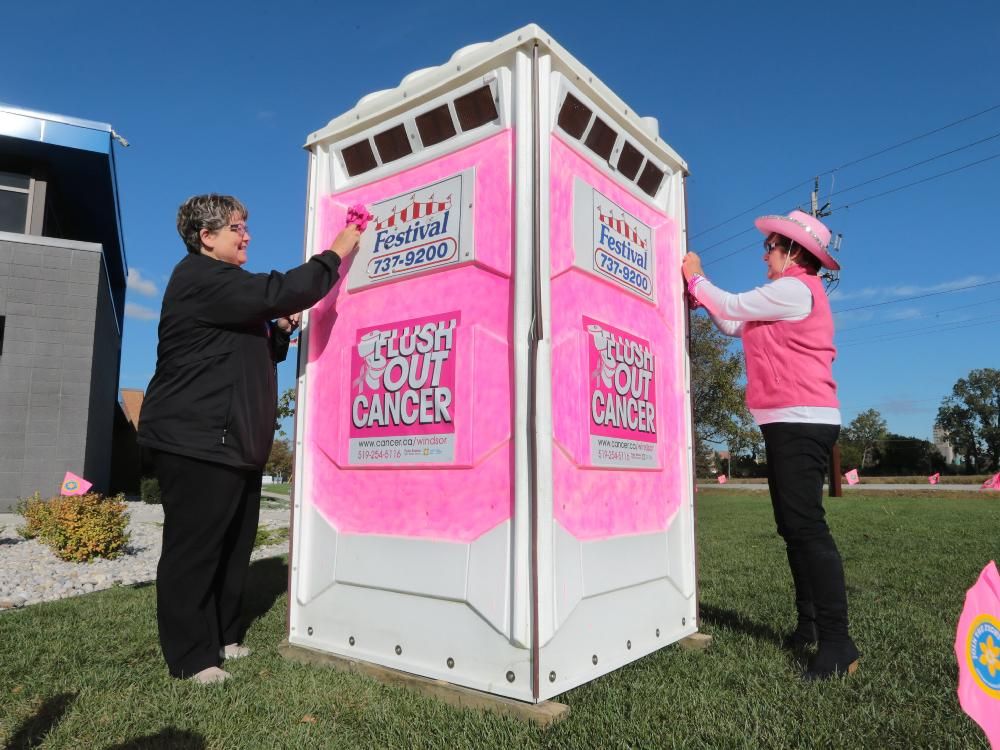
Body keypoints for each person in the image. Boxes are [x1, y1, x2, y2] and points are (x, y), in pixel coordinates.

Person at [137, 194, 362, 684]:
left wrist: (277, 331)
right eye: (238, 227)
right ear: (207, 237)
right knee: (194, 550)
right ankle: (191, 656)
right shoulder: (199, 278)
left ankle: (223, 633)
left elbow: (254, 353)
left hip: (234, 441)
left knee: (234, 544)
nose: (247, 236)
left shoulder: (225, 291)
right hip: (194, 439)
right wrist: (337, 251)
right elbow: (279, 289)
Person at [682, 209, 858, 680]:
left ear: (793, 252)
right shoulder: (783, 296)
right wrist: (703, 300)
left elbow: (733, 304)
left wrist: (696, 279)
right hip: (786, 422)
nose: (765, 254)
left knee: (807, 527)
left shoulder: (796, 288)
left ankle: (838, 643)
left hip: (803, 421)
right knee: (792, 527)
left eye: (771, 247)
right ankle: (809, 627)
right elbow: (733, 323)